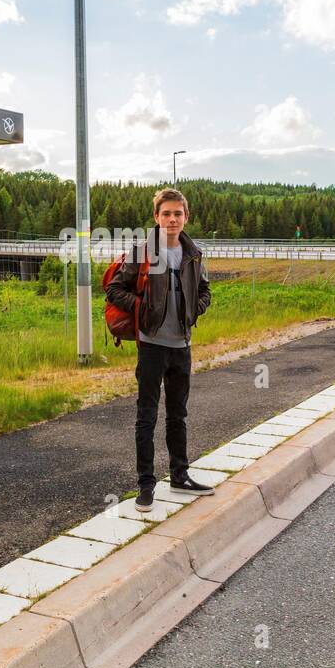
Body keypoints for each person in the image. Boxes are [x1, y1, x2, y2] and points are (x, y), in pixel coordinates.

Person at [105, 187, 213, 512]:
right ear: (156, 217)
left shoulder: (193, 253)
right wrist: (141, 309)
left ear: (186, 217)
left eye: (177, 213)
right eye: (165, 213)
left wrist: (196, 308)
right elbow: (114, 289)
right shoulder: (143, 252)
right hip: (152, 346)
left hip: (182, 347)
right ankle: (146, 486)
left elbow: (205, 289)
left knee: (178, 415)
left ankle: (180, 475)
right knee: (146, 417)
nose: (172, 219)